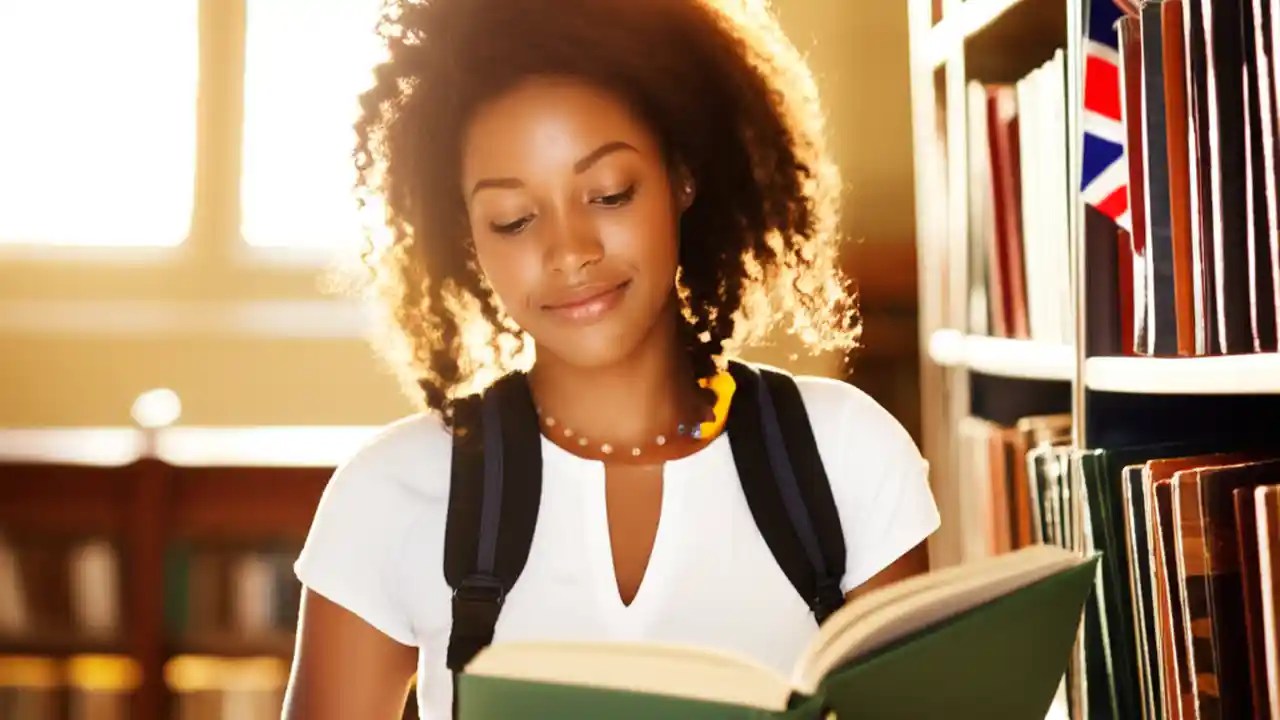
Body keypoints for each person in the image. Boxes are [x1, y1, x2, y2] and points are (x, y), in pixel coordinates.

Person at [283, 0, 940, 718]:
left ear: (682, 175)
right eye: (514, 219)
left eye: (609, 193)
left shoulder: (845, 455)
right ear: (468, 240)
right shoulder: (393, 492)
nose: (570, 251)